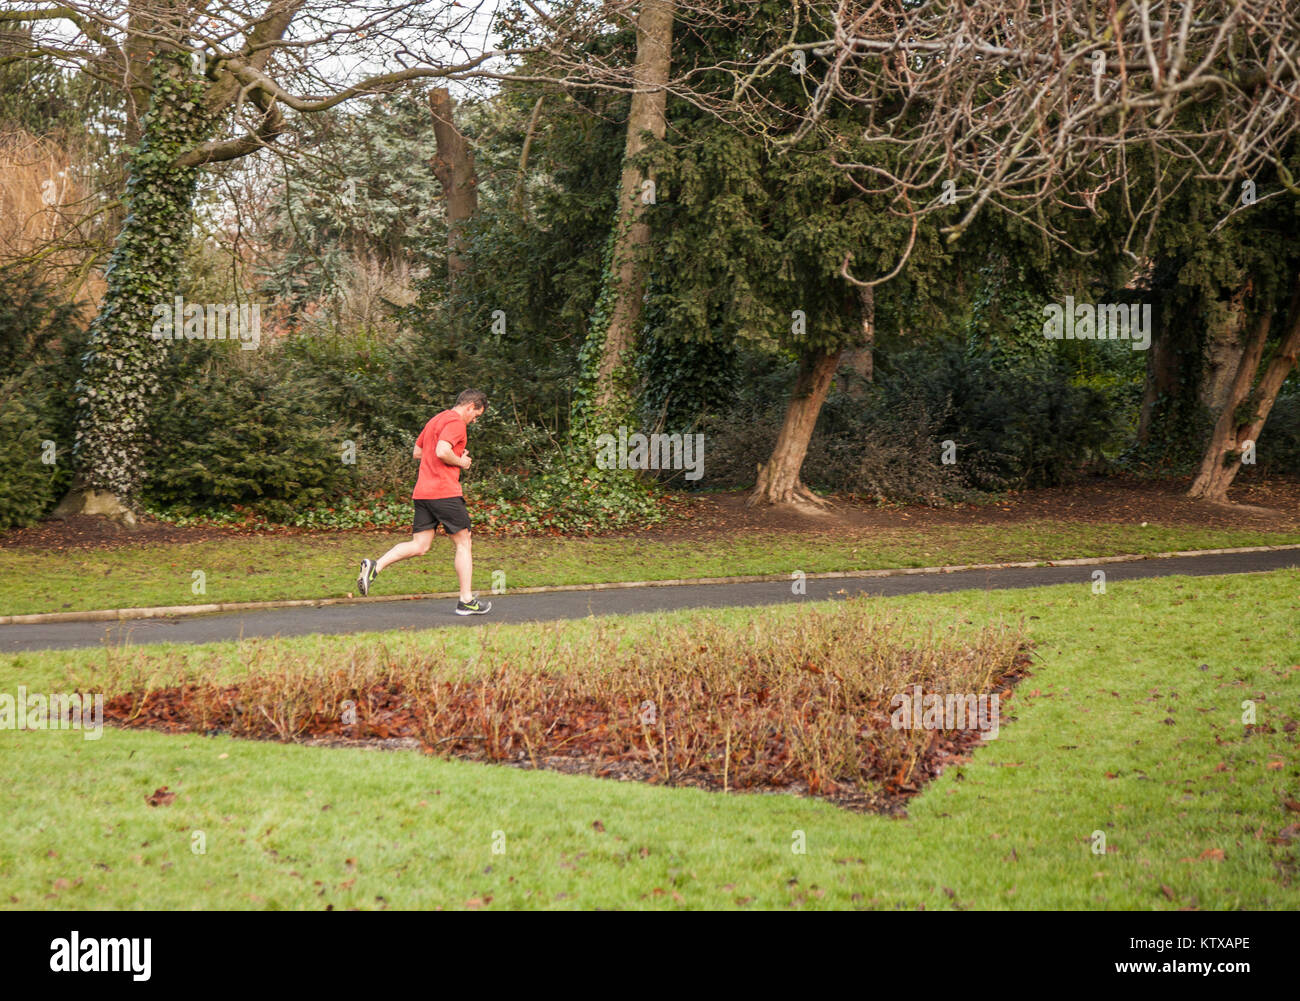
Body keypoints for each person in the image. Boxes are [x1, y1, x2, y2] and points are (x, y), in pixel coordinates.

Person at [357, 389, 491, 615]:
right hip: (444, 492)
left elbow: (418, 452)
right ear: (470, 407)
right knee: (463, 542)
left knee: (420, 545)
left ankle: (375, 566)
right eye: (476, 415)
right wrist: (461, 461)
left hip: (423, 493)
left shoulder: (436, 419)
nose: (475, 420)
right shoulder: (456, 422)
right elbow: (441, 451)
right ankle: (466, 600)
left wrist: (454, 453)